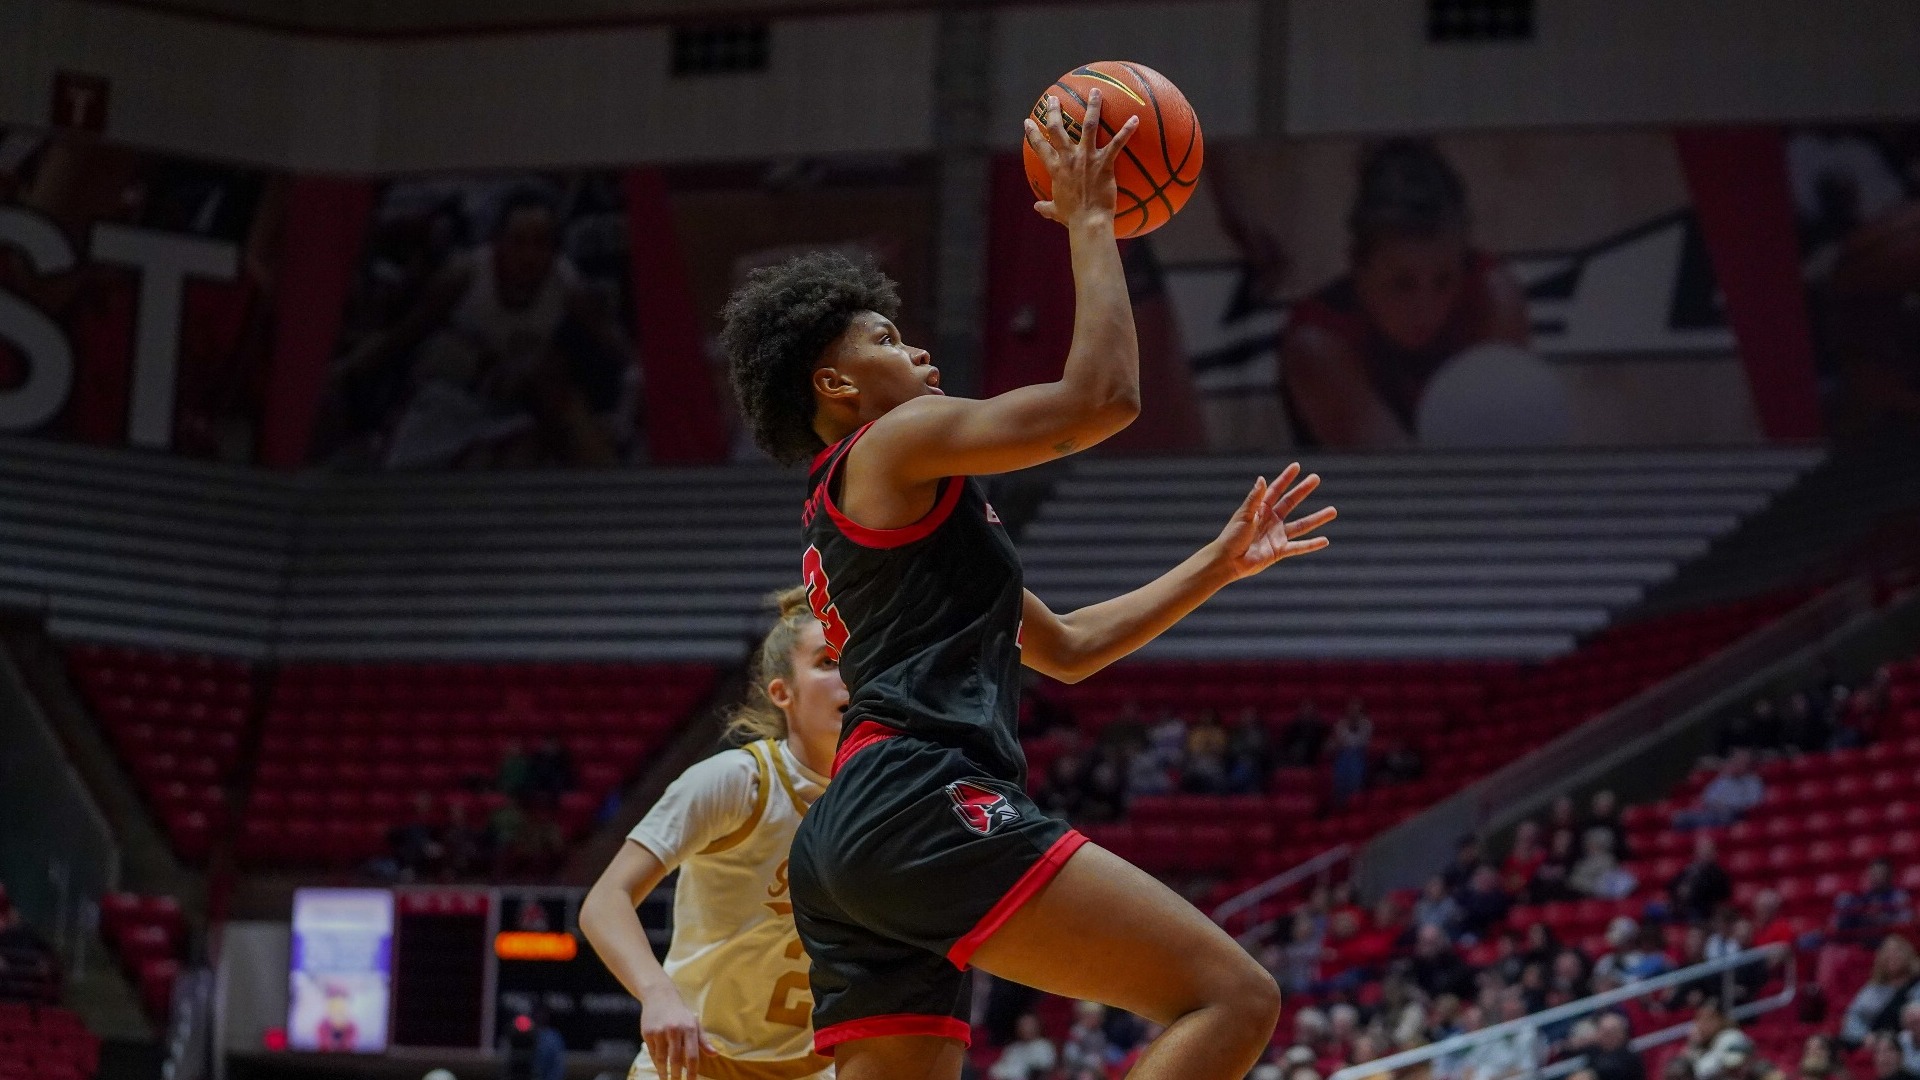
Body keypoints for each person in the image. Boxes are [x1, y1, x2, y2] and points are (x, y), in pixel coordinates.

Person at [727, 91, 1335, 1080]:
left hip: (851, 838)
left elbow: (1068, 649)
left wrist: (1217, 565)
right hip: (922, 795)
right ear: (833, 388)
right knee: (1233, 997)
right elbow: (1102, 401)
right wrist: (1093, 223)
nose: (916, 352)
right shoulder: (893, 444)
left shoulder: (875, 507)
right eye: (883, 341)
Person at [579, 588, 845, 1080]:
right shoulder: (737, 781)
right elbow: (604, 901)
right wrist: (657, 993)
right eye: (828, 662)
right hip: (696, 1061)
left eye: (857, 660)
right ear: (783, 692)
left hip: (818, 1066)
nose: (849, 677)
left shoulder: (878, 798)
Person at [1262, 138, 1530, 449]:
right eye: (1402, 284)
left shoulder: (1492, 296)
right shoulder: (1319, 340)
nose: (1425, 308)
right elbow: (1398, 480)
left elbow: (1507, 450)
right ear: (1359, 271)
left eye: (1444, 281)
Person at [1842, 937, 1920, 1048]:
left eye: (1897, 952)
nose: (1892, 957)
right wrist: (1864, 1036)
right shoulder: (1872, 989)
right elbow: (1854, 1017)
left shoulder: (1917, 984)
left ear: (1908, 956)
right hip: (1877, 1043)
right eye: (1888, 954)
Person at [1675, 751, 1765, 829]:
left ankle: (1705, 831)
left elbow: (1753, 802)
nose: (1737, 765)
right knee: (1680, 817)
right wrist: (1715, 804)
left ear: (1748, 765)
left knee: (1725, 815)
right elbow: (1708, 796)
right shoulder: (1724, 779)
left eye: (1741, 762)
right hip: (1713, 811)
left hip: (1735, 813)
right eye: (1736, 761)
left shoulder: (1753, 781)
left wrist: (1728, 805)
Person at [1835, 861, 1915, 945]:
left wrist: (1883, 918)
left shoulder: (1898, 895)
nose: (1876, 877)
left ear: (1889, 875)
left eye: (1880, 873)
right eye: (1874, 873)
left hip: (1887, 936)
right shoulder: (1864, 896)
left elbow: (1905, 920)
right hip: (1865, 935)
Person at [1682, 998, 1757, 1080]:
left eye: (1708, 1020)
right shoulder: (1703, 1042)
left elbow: (1705, 1071)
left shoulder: (1732, 1036)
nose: (1702, 1025)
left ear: (1720, 1019)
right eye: (1699, 1020)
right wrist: (1694, 1043)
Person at [1669, 836, 1734, 923]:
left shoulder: (1718, 873)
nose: (1704, 854)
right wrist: (1679, 891)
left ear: (1714, 853)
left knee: (1695, 915)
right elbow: (1672, 884)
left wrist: (1691, 892)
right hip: (1680, 905)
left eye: (1707, 851)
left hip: (1702, 909)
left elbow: (1718, 893)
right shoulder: (1690, 868)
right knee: (1653, 910)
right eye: (1701, 851)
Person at [1570, 1011, 1646, 1080]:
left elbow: (1613, 1071)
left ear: (1620, 1035)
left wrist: (1591, 1075)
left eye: (1607, 1033)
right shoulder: (1595, 1048)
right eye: (1600, 1031)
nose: (1601, 1035)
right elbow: (1569, 1049)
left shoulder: (1629, 1057)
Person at [989, 1014, 1059, 1080]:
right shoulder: (1012, 1048)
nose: (1026, 1028)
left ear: (1037, 1027)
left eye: (1029, 1025)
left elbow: (1041, 1070)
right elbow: (996, 1070)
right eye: (1022, 1025)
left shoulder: (1045, 1046)